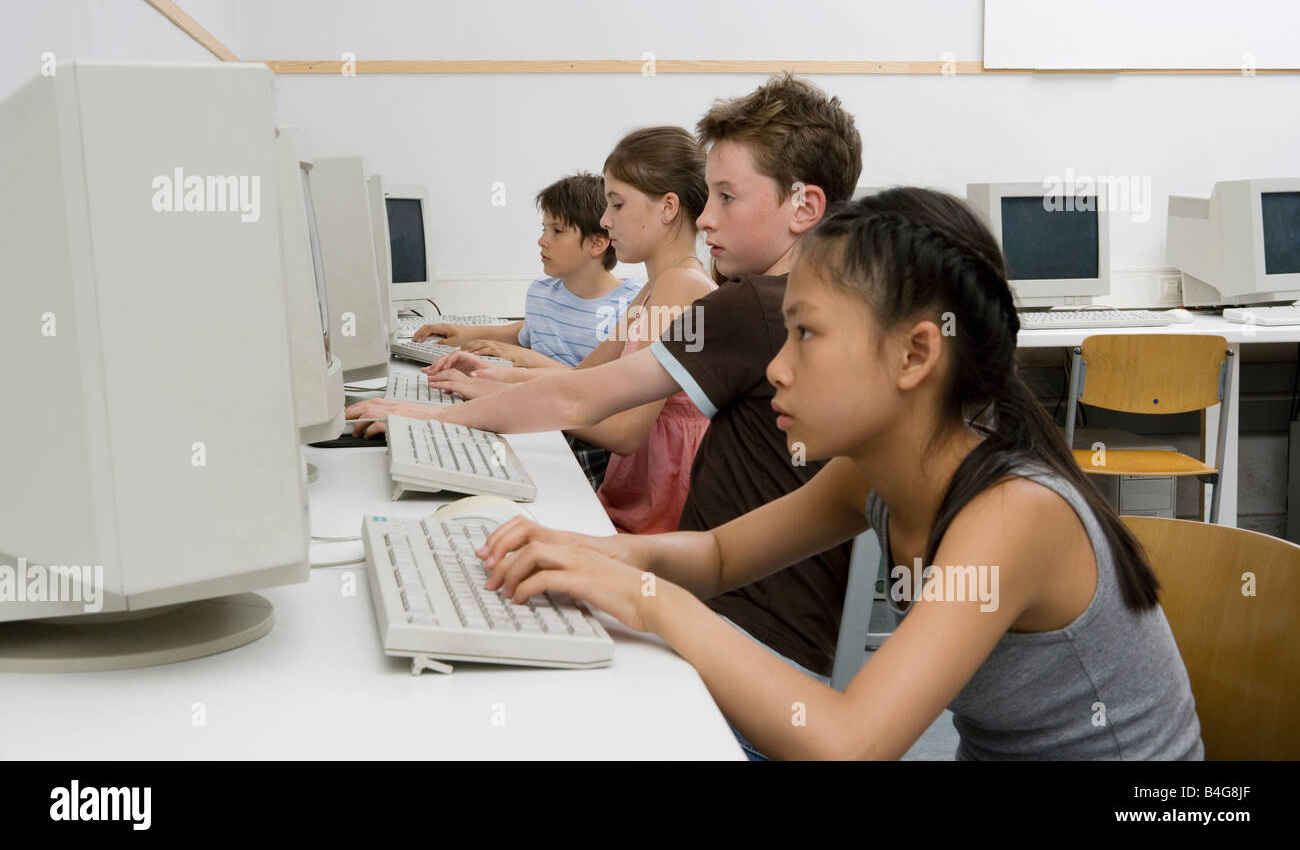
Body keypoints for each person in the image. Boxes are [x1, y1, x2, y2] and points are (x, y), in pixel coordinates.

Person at [473, 187, 1206, 761]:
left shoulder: (1014, 513)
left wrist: (646, 599)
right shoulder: (877, 475)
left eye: (807, 335)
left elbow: (851, 742)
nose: (777, 368)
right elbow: (723, 556)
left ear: (916, 355)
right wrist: (577, 552)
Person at [350, 73, 864, 678]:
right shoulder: (827, 301)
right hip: (761, 629)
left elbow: (580, 399)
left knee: (490, 618)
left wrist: (425, 416)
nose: (706, 221)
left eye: (727, 198)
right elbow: (577, 385)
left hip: (739, 640)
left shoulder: (749, 305)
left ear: (804, 206)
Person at [411, 173, 644, 487]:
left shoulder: (629, 307)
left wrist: (522, 358)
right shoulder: (541, 293)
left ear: (598, 243)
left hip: (587, 435)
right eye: (543, 228)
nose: (542, 240)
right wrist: (466, 333)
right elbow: (527, 330)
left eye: (557, 231)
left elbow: (595, 393)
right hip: (536, 413)